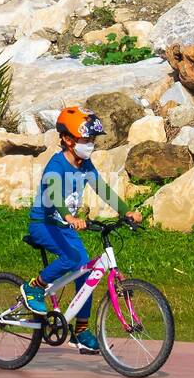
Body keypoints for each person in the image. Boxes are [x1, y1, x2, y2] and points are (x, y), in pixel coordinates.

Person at [21, 106, 142, 354]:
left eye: (92, 140)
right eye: (86, 140)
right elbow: (54, 192)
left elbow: (103, 189)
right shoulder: (56, 166)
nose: (91, 145)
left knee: (86, 271)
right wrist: (68, 215)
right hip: (43, 224)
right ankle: (34, 287)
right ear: (67, 139)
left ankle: (81, 331)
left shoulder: (86, 165)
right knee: (73, 258)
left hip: (64, 227)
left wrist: (125, 211)